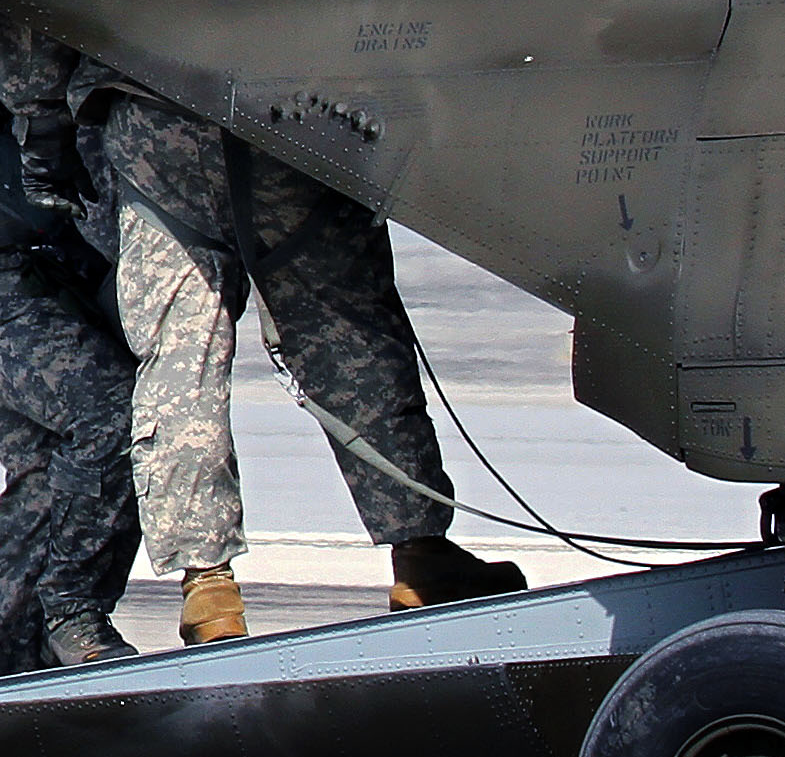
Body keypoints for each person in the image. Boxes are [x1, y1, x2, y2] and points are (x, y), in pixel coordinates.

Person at [78, 70, 526, 642]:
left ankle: (208, 587)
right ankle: (421, 553)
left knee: (180, 358)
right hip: (294, 113)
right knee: (347, 331)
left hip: (158, 125)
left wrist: (39, 113)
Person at [0, 0, 137, 676]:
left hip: (6, 283)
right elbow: (107, 224)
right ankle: (74, 611)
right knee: (111, 414)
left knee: (45, 486)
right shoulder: (93, 89)